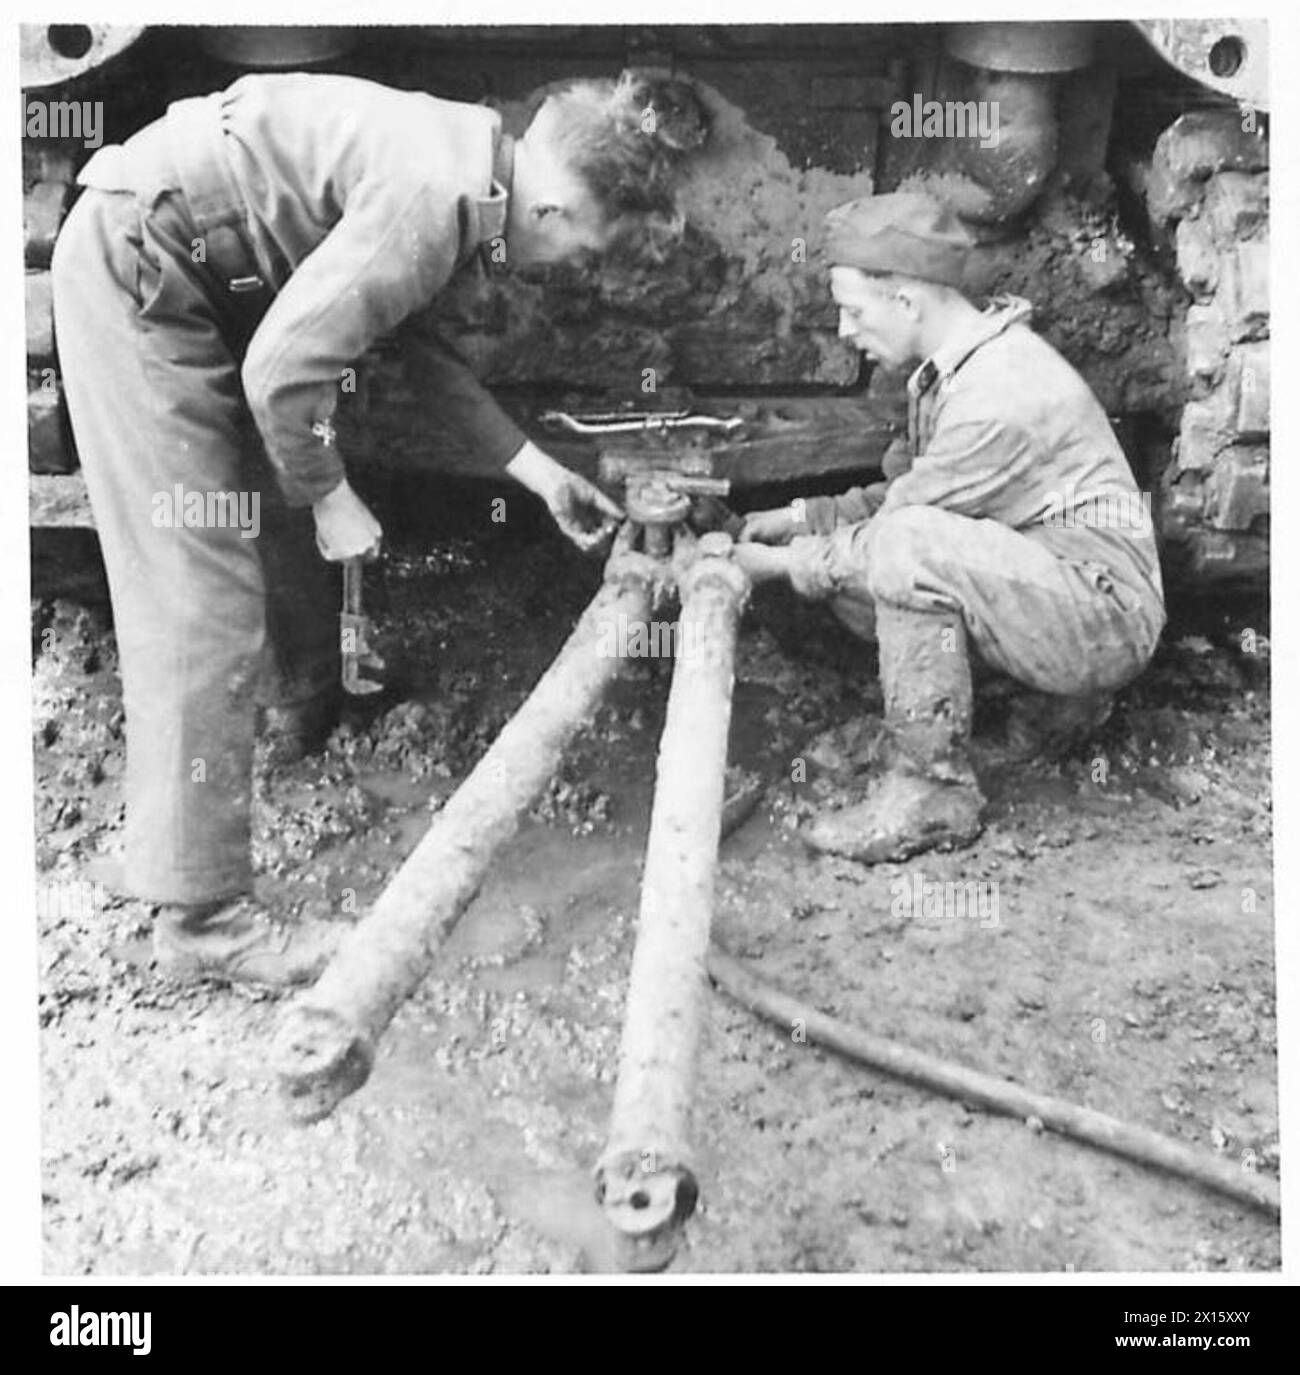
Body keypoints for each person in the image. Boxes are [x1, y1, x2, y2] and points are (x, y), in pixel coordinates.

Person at [52, 70, 688, 985]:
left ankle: (294, 712)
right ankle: (203, 921)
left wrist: (540, 474)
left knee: (255, 511)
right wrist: (330, 494)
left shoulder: (473, 165)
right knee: (196, 593)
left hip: (196, 276)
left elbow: (415, 347)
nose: (567, 269)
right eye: (580, 248)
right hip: (140, 275)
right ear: (549, 209)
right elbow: (281, 375)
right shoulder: (436, 195)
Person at [734, 192, 1166, 865]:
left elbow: (897, 531)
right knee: (887, 552)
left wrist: (776, 566)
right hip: (1055, 582)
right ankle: (1031, 711)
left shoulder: (997, 396)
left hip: (1103, 617)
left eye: (853, 311)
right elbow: (900, 492)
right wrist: (794, 518)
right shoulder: (956, 369)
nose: (846, 331)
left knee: (900, 554)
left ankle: (931, 791)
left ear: (907, 301)